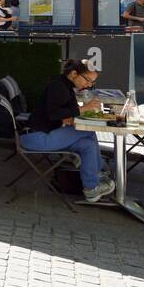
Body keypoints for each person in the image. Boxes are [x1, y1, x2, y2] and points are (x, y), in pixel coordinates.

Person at [20, 59, 115, 202]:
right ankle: (99, 172)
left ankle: (91, 188)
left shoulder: (65, 86)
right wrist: (84, 108)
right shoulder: (58, 86)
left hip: (46, 134)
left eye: (91, 83)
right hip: (36, 137)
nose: (88, 85)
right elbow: (54, 113)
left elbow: (60, 113)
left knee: (88, 145)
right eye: (87, 80)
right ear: (73, 73)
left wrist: (67, 116)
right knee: (88, 131)